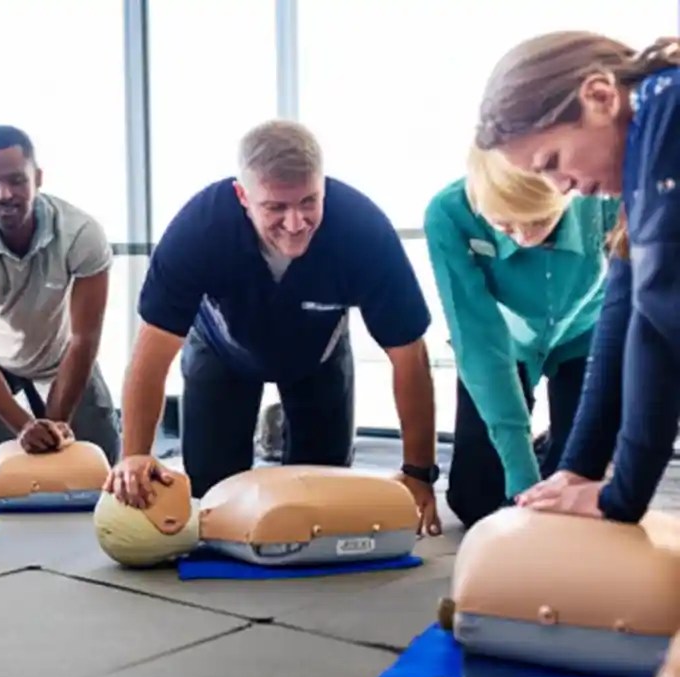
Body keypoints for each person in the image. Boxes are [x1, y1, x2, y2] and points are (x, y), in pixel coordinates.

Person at [106, 119, 443, 536]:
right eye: (275, 208)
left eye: (308, 202)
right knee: (213, 500)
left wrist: (418, 473)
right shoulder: (199, 231)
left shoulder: (363, 230)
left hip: (318, 354)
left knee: (319, 502)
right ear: (242, 196)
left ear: (324, 187)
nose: (296, 222)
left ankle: (281, 433)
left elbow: (409, 354)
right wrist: (135, 455)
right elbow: (151, 354)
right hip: (221, 350)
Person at [475, 31, 680, 524]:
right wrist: (578, 470)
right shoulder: (646, 142)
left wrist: (620, 497)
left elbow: (659, 323)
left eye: (552, 163)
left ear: (599, 96)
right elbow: (622, 309)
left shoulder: (669, 113)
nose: (562, 187)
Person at [423, 145, 617, 528]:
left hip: (585, 330)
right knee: (476, 501)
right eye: (506, 226)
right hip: (503, 339)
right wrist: (522, 482)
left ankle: (552, 446)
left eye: (539, 222)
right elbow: (476, 337)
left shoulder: (603, 197)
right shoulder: (448, 212)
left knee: (575, 491)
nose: (525, 238)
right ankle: (533, 449)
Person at [0, 125, 120, 486]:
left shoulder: (83, 233)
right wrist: (25, 427)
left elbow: (84, 338)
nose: (4, 194)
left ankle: (85, 415)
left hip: (62, 355)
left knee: (101, 465)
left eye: (17, 180)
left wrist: (54, 423)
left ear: (37, 177)